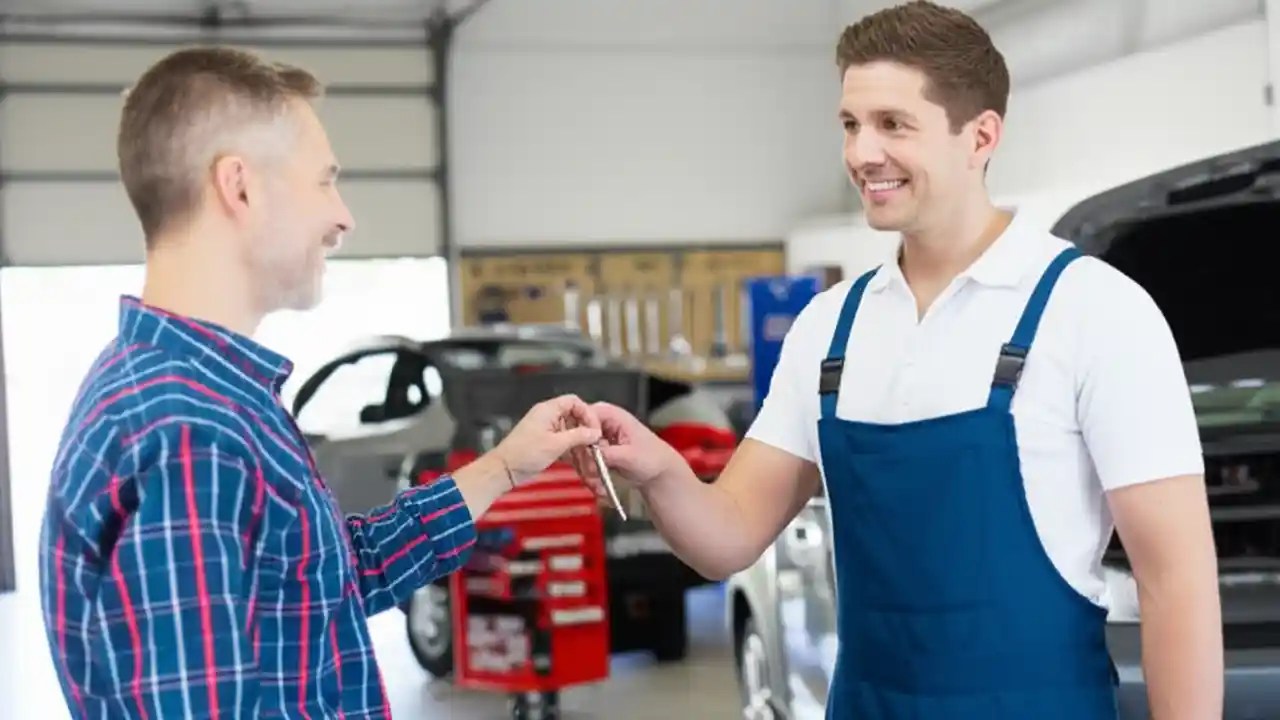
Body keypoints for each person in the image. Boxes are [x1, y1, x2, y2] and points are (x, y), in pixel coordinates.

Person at [575, 2, 1224, 718]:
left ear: (980, 136)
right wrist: (660, 471)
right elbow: (728, 536)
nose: (861, 154)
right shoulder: (831, 330)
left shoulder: (1095, 312)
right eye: (851, 125)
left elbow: (1177, 582)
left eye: (893, 125)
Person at [37, 46, 602, 719]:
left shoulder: (199, 392)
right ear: (239, 186)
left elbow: (320, 586)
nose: (344, 216)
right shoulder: (191, 430)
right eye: (325, 181)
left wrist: (505, 468)